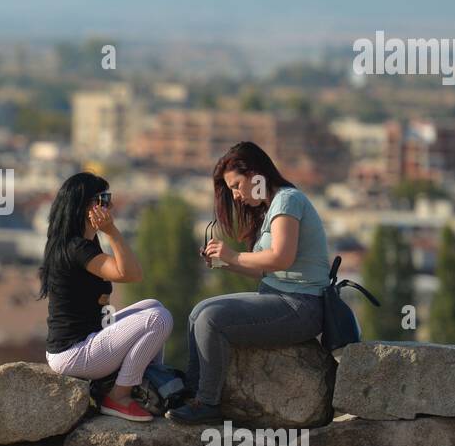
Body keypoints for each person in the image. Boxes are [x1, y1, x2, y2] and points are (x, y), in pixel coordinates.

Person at [169, 142, 331, 423]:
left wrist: (232, 254)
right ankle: (193, 393)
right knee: (199, 312)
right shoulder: (270, 208)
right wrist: (225, 261)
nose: (236, 195)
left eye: (236, 185)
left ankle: (208, 402)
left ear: (256, 174)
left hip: (302, 306)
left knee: (211, 319)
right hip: (280, 297)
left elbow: (280, 258)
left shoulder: (288, 200)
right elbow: (264, 270)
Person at [38, 172, 174, 423]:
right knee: (159, 319)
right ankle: (119, 396)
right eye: (103, 199)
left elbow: (133, 272)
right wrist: (111, 231)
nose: (109, 205)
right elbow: (130, 274)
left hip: (82, 342)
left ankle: (146, 383)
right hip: (74, 352)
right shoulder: (77, 248)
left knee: (153, 306)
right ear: (86, 207)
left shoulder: (77, 243)